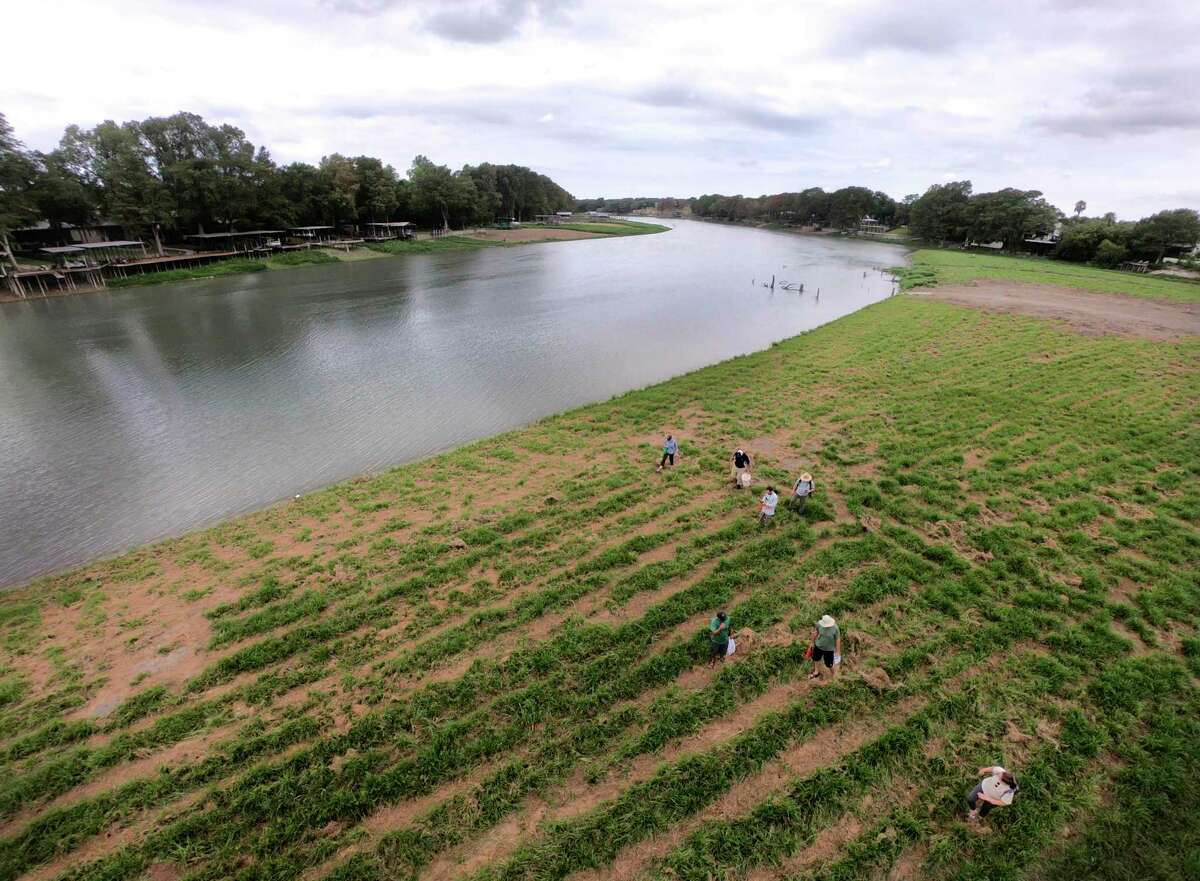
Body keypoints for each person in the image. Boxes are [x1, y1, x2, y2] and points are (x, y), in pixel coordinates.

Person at [808, 614, 841, 680]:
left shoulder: (835, 628)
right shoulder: (818, 624)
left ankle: (834, 675)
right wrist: (812, 643)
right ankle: (816, 672)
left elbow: (838, 639)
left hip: (829, 649)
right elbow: (815, 633)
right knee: (816, 658)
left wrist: (837, 651)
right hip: (818, 645)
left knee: (829, 664)